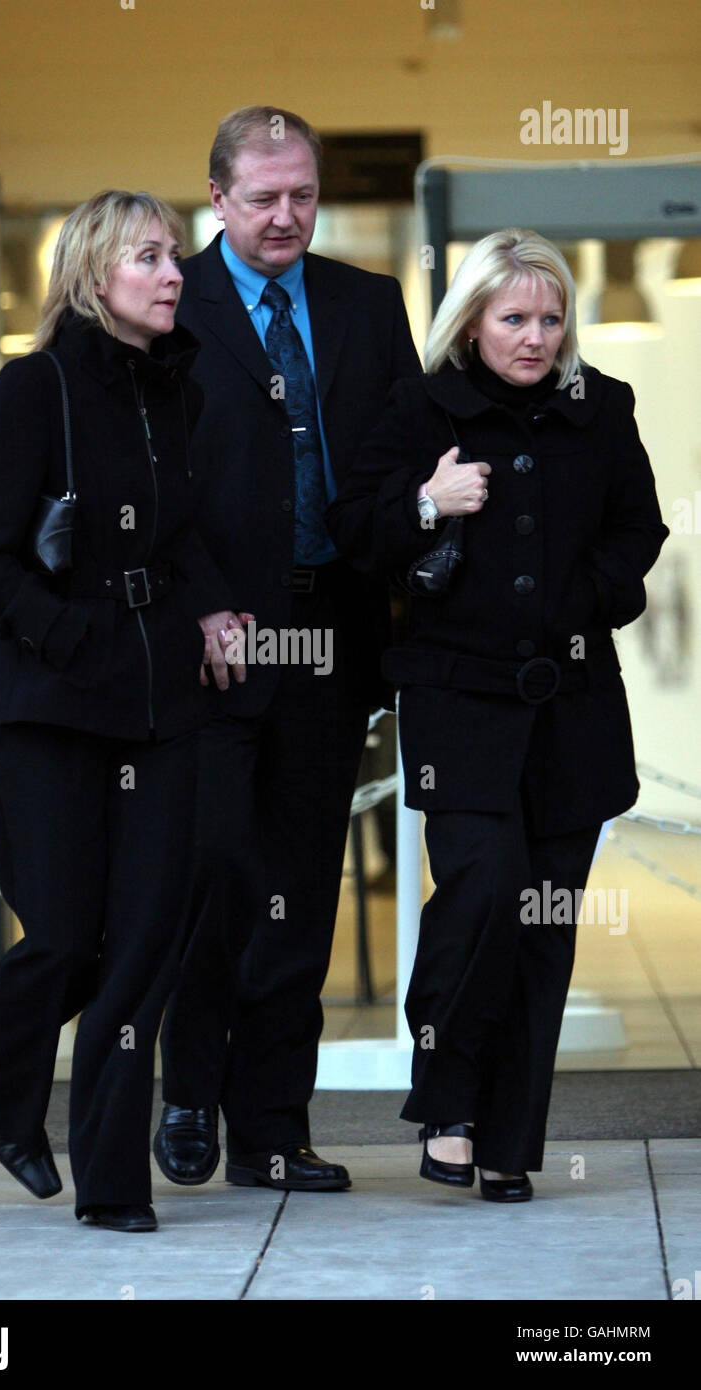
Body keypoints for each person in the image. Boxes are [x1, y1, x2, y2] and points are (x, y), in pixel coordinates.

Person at [327, 228, 668, 1202]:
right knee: (482, 892)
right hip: (458, 703)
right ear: (471, 319)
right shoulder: (418, 407)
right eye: (513, 317)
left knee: (542, 922)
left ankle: (511, 1138)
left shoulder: (600, 408)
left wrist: (588, 597)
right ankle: (449, 1107)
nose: (533, 335)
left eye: (550, 317)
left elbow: (636, 527)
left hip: (572, 708)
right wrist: (429, 503)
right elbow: (356, 532)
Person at [0, 190, 243, 1233]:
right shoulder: (36, 389)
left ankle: (114, 1181)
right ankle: (2, 1061)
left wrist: (210, 609)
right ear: (92, 277)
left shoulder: (179, 394)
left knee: (144, 944)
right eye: (150, 258)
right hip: (53, 707)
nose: (174, 274)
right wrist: (76, 640)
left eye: (172, 255)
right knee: (68, 935)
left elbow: (183, 535)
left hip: (161, 698)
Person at [153, 106, 422, 1192]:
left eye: (301, 194)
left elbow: (401, 458)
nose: (285, 216)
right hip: (216, 640)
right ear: (215, 198)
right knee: (214, 877)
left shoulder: (366, 304)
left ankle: (271, 1129)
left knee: (300, 895)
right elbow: (152, 482)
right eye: (261, 198)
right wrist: (204, 607)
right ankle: (186, 1092)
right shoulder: (170, 302)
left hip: (331, 636)